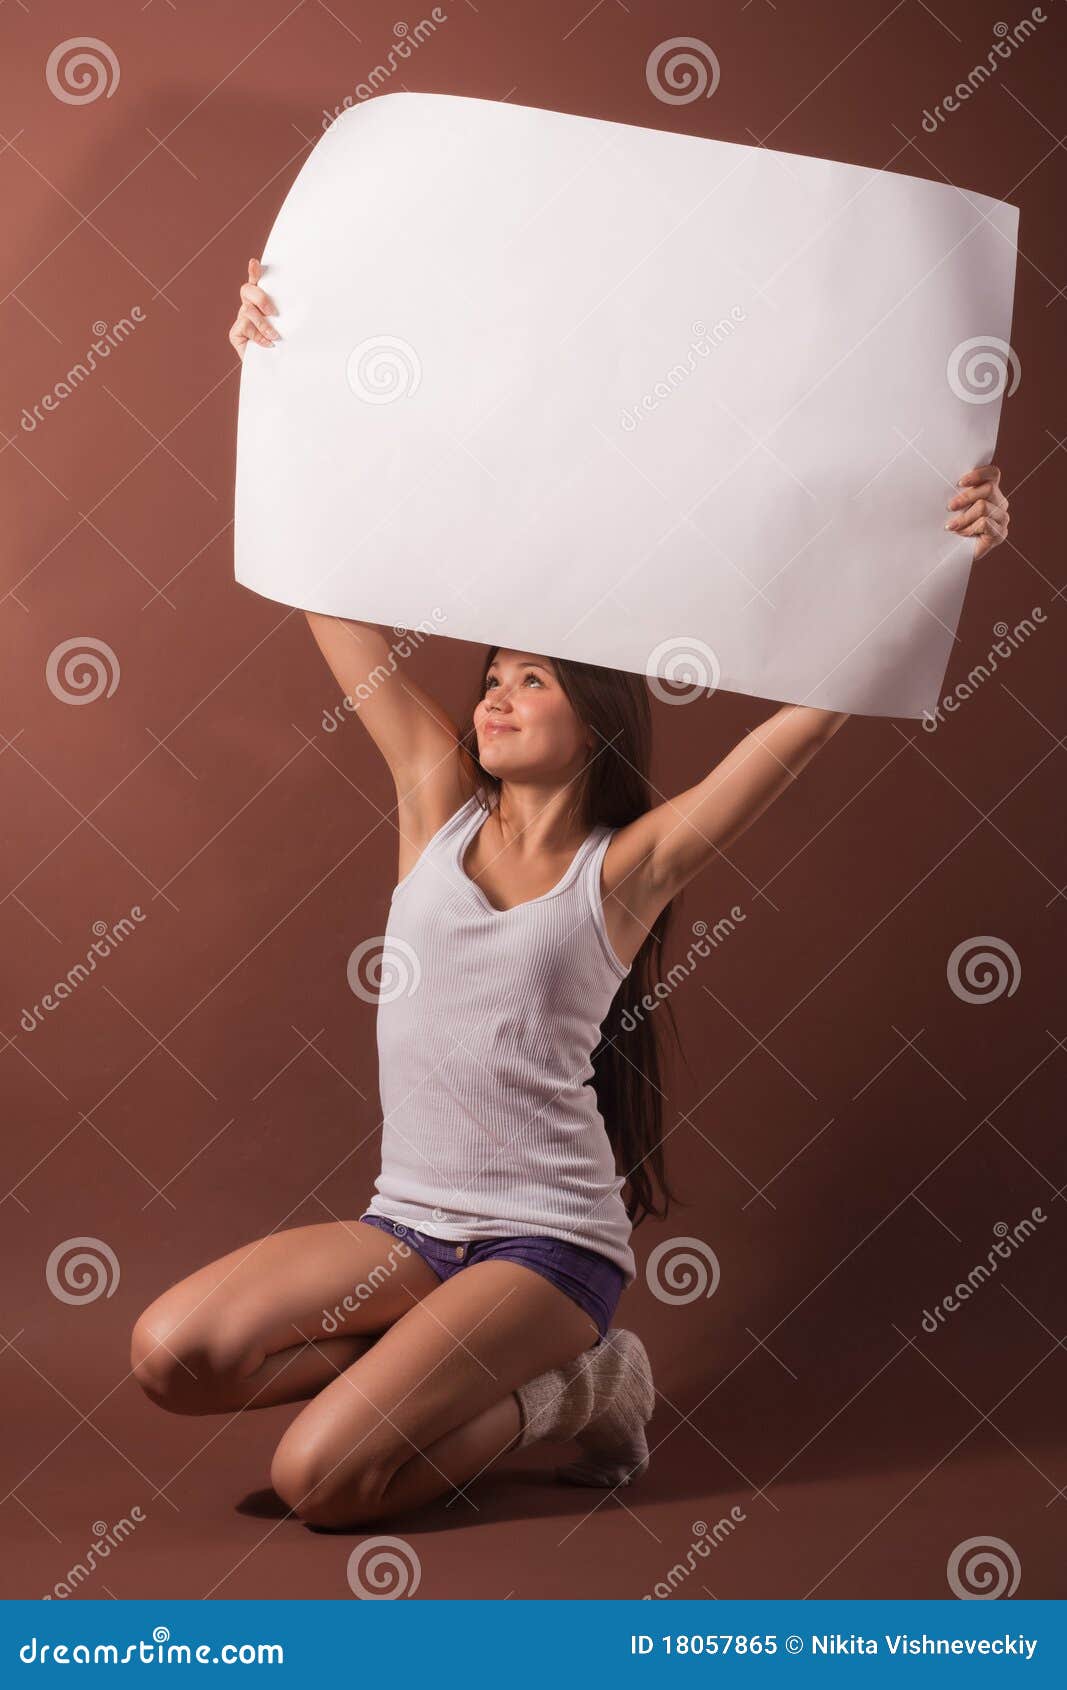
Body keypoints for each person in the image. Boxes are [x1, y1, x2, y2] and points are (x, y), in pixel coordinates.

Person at [129, 258, 1010, 1532]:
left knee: (325, 1482)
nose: (491, 692)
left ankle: (580, 1385)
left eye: (528, 679)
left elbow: (801, 729)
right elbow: (324, 595)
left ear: (591, 717)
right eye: (489, 673)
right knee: (176, 1355)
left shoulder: (629, 863)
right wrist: (276, 375)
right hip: (412, 1228)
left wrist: (946, 555)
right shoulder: (432, 794)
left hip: (545, 1244)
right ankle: (442, 1365)